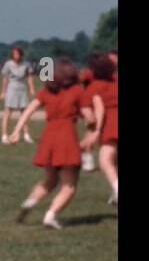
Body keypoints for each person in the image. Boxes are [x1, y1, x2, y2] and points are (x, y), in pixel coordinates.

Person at [10, 58, 94, 229]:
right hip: (67, 137)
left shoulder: (46, 92)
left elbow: (29, 110)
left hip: (49, 137)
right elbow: (90, 117)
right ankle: (51, 215)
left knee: (49, 180)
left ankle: (30, 202)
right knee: (69, 186)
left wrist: (16, 131)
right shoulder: (78, 91)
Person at [84, 53, 118, 205]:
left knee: (105, 160)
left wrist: (96, 129)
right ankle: (115, 191)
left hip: (112, 124)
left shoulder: (94, 87)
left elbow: (97, 110)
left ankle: (117, 189)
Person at [0, 47, 35, 144]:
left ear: (21, 55)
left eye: (18, 54)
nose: (16, 56)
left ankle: (26, 135)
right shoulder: (8, 64)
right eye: (14, 54)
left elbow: (29, 77)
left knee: (24, 112)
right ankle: (4, 135)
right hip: (12, 88)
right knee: (8, 112)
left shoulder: (26, 64)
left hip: (22, 88)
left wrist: (31, 89)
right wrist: (3, 92)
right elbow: (5, 78)